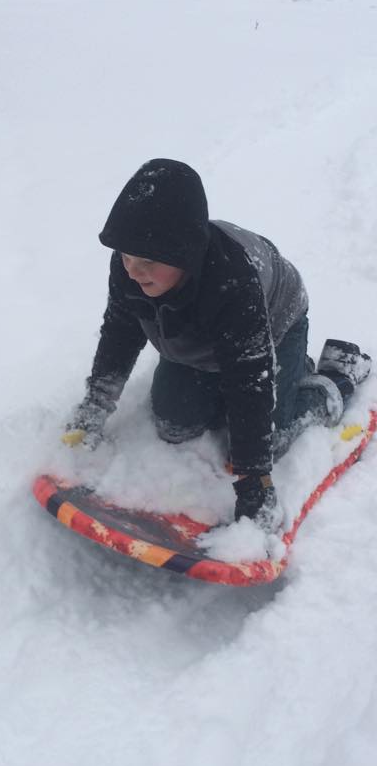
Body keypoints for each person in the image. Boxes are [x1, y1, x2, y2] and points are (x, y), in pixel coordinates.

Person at [62, 159, 371, 530]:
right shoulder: (131, 267)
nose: (132, 270)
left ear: (185, 255)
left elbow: (248, 381)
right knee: (174, 424)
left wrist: (255, 481)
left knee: (268, 440)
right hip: (202, 343)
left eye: (145, 261)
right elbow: (120, 333)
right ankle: (282, 374)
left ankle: (330, 381)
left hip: (273, 328)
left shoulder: (232, 285)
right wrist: (95, 406)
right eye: (126, 256)